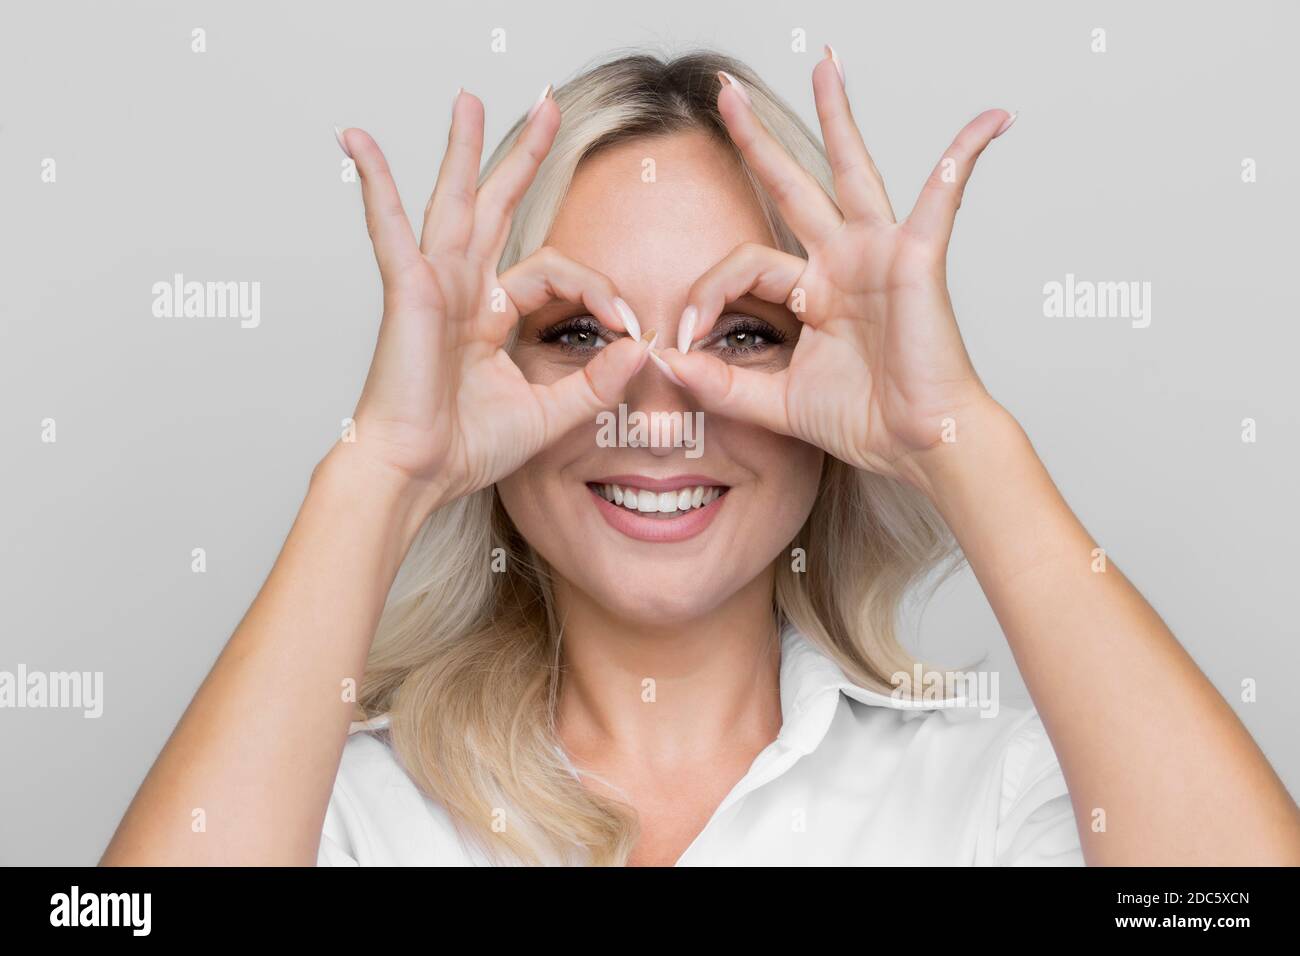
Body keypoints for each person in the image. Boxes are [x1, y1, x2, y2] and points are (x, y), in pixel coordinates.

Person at [101, 48, 1300, 866]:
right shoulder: (338, 807)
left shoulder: (988, 797)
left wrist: (956, 438)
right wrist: (380, 471)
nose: (661, 412)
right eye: (580, 333)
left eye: (742, 334)